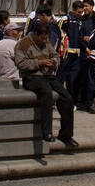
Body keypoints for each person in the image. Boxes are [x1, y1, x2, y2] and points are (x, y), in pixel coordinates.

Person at [14, 19, 77, 147]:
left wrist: (54, 62)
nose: (45, 41)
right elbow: (21, 64)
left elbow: (55, 55)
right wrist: (40, 63)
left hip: (48, 76)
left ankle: (66, 134)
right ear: (36, 34)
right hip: (32, 77)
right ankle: (46, 131)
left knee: (67, 98)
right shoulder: (23, 44)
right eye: (42, 38)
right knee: (46, 93)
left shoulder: (46, 42)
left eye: (46, 38)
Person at [59, 0, 88, 109]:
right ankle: (60, 101)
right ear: (74, 10)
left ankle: (71, 101)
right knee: (61, 78)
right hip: (66, 54)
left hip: (76, 54)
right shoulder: (65, 20)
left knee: (73, 79)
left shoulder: (79, 22)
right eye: (79, 12)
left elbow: (80, 37)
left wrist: (86, 48)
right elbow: (58, 33)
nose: (81, 14)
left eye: (82, 13)